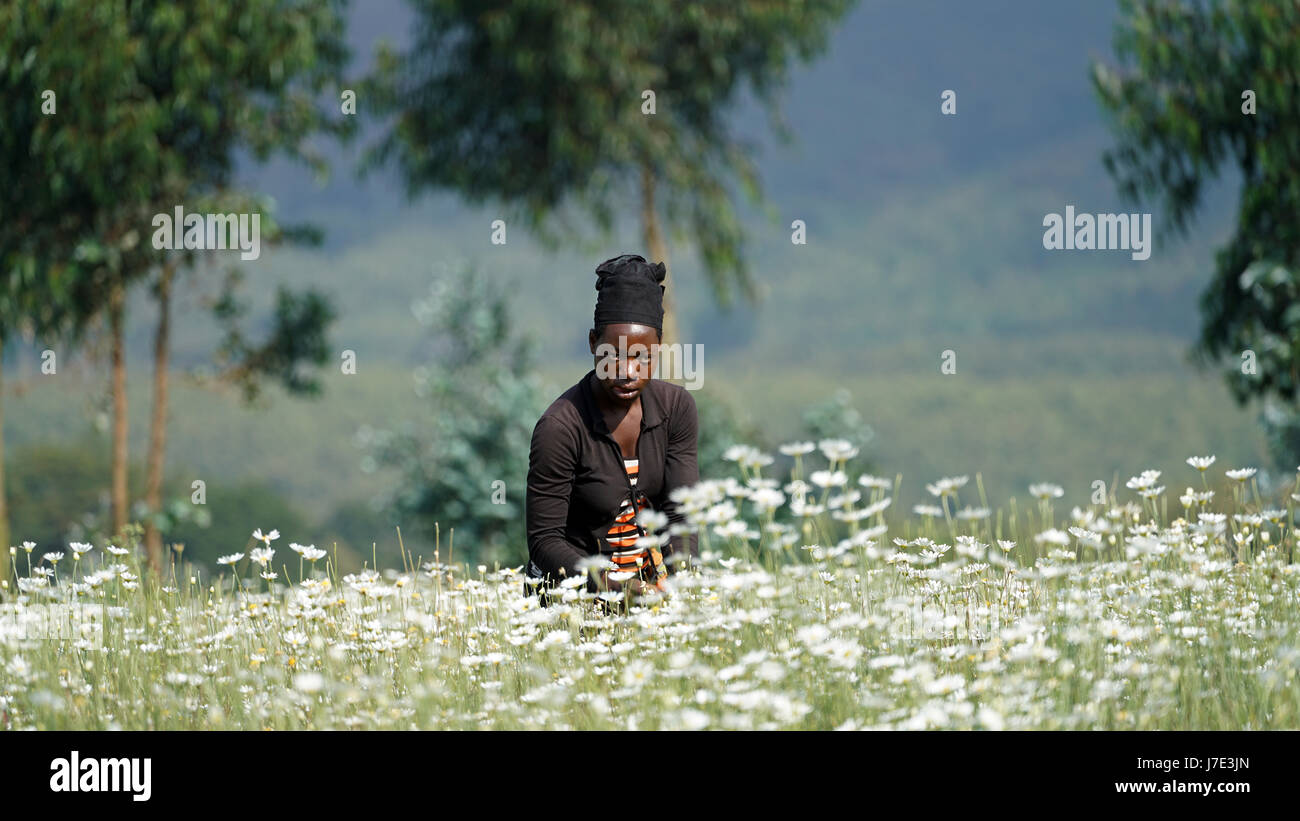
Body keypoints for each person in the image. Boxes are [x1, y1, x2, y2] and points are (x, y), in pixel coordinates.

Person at [524, 253, 699, 612]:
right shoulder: (561, 427)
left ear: (659, 349)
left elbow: (681, 515)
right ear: (593, 342)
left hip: (650, 598)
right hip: (571, 601)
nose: (628, 370)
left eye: (642, 356)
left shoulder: (676, 410)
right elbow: (545, 541)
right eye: (613, 354)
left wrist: (678, 580)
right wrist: (612, 587)